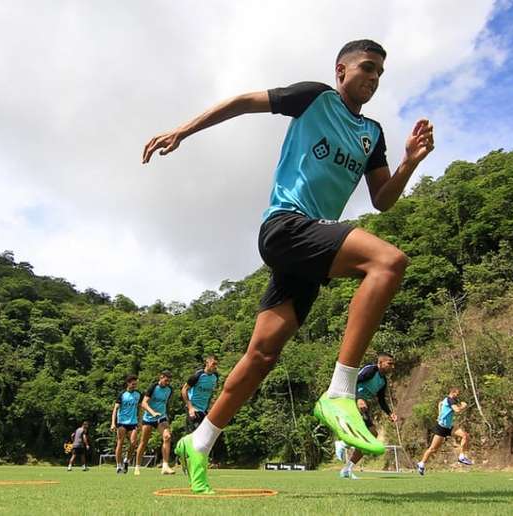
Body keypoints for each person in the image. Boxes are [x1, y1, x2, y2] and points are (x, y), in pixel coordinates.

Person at [143, 39, 434, 493]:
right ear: (341, 70)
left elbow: (383, 200)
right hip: (285, 225)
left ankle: (198, 442)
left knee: (262, 355)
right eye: (367, 68)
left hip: (307, 253)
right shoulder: (315, 97)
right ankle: (341, 390)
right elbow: (242, 102)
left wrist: (409, 164)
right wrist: (183, 130)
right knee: (389, 262)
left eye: (380, 73)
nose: (374, 78)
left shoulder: (372, 134)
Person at [336, 352, 398, 479]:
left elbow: (381, 400)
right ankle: (343, 443)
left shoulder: (383, 381)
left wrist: (390, 413)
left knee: (373, 434)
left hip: (362, 404)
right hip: (350, 399)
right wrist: (358, 398)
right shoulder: (370, 371)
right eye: (390, 363)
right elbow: (351, 382)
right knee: (364, 431)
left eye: (393, 364)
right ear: (380, 363)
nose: (392, 366)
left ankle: (347, 469)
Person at [417, 387, 473, 475]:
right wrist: (463, 406)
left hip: (449, 427)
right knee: (433, 449)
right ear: (453, 393)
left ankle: (462, 456)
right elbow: (457, 410)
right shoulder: (450, 400)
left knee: (465, 436)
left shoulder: (446, 399)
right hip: (441, 428)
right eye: (457, 394)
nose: (457, 396)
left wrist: (440, 414)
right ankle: (421, 464)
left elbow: (440, 403)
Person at [134, 371, 176, 476]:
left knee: (167, 437)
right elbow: (143, 403)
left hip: (161, 418)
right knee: (143, 442)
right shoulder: (153, 387)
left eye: (169, 381)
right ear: (161, 377)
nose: (167, 382)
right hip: (148, 418)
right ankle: (137, 466)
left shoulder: (170, 390)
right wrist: (153, 413)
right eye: (166, 380)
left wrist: (165, 416)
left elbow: (165, 404)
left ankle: (165, 466)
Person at [111, 374, 141, 474]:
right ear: (128, 383)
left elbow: (140, 408)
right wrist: (113, 423)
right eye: (133, 384)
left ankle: (126, 461)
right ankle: (118, 465)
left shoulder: (138, 394)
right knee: (120, 442)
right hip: (122, 422)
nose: (134, 386)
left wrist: (140, 421)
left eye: (135, 384)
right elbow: (115, 409)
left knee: (133, 443)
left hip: (133, 423)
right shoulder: (122, 394)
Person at [181, 356, 220, 432]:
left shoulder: (215, 377)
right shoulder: (198, 375)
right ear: (207, 363)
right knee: (195, 433)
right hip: (193, 408)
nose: (215, 367)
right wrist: (190, 408)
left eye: (216, 364)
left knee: (206, 434)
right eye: (213, 364)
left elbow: (210, 392)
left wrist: (209, 408)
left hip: (203, 410)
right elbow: (184, 389)